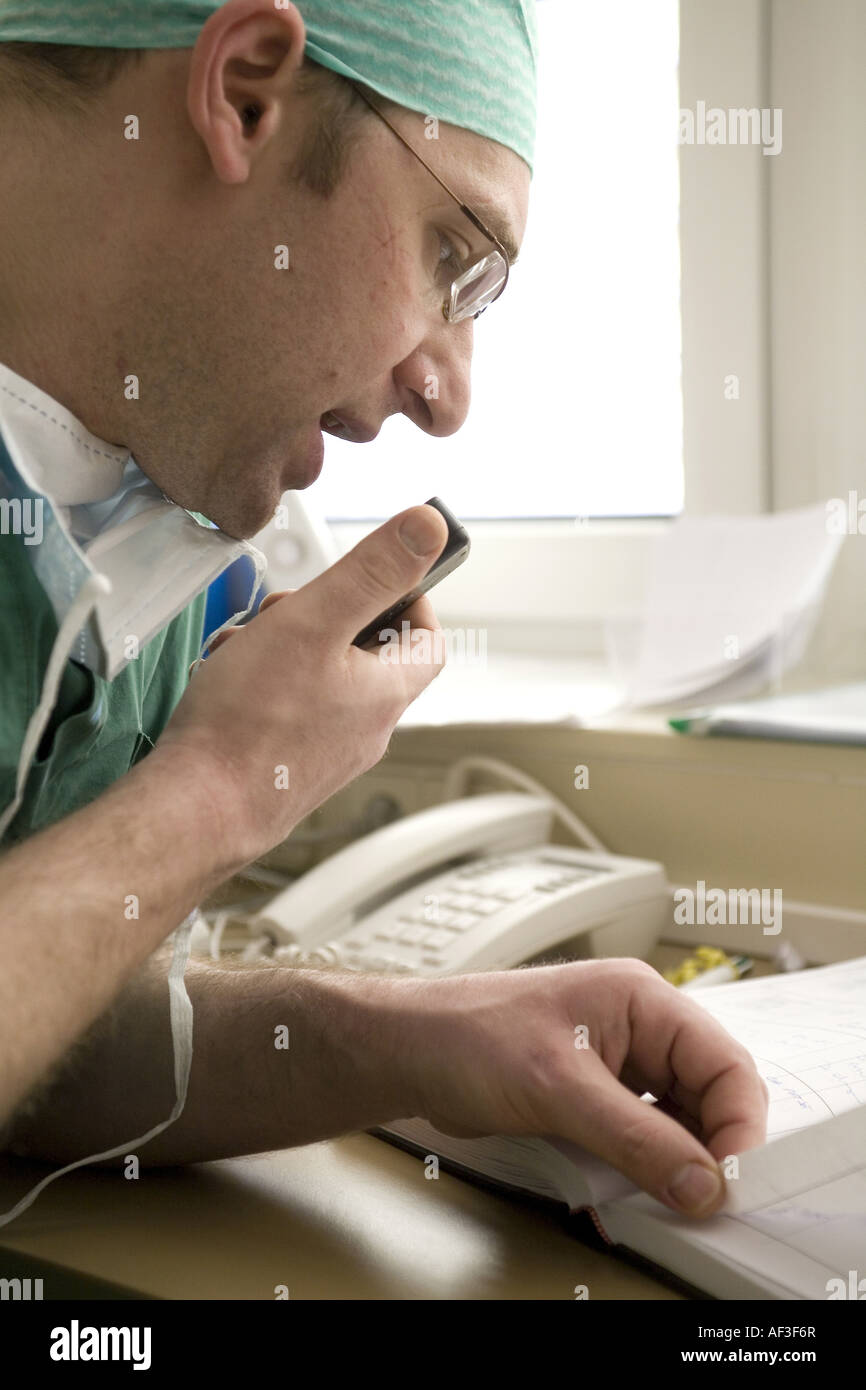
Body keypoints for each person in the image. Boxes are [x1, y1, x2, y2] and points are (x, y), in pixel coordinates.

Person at [0, 0, 767, 1229]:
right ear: (245, 92)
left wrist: (414, 1037)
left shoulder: (153, 537)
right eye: (454, 257)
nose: (448, 395)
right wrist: (216, 790)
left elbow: (42, 1037)